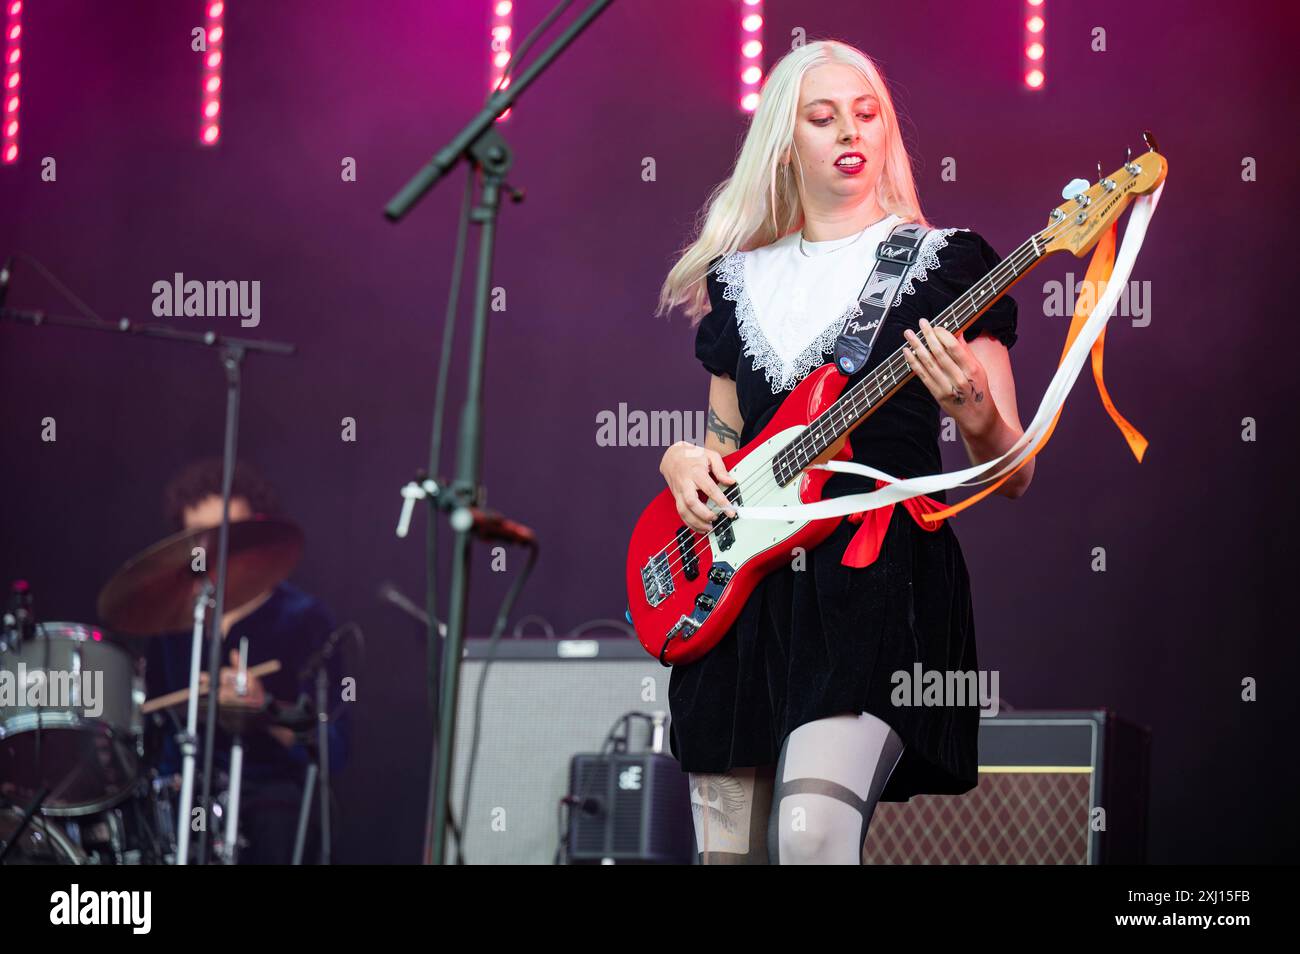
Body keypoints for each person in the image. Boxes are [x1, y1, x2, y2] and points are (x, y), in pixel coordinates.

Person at [654, 40, 1034, 864]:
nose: (848, 131)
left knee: (812, 837)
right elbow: (728, 452)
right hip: (738, 591)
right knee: (727, 858)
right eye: (822, 118)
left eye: (867, 114)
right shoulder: (738, 281)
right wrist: (681, 462)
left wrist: (970, 406)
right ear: (786, 144)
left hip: (870, 574)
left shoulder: (948, 263)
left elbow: (1014, 470)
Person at [145, 458, 351, 864]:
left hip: (272, 800)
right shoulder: (169, 623)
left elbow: (334, 750)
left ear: (258, 532)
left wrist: (267, 711)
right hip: (189, 805)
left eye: (230, 535)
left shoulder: (305, 619)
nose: (214, 549)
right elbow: (155, 738)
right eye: (199, 537)